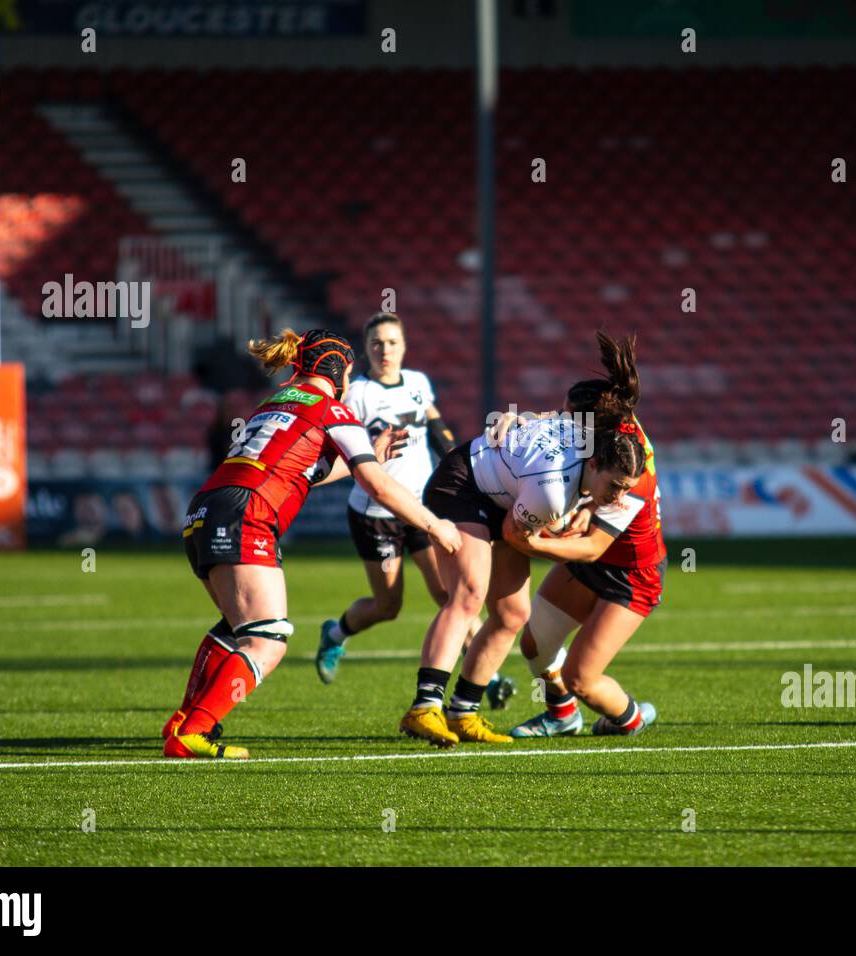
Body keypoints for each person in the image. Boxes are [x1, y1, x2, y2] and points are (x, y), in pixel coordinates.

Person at [163, 328, 461, 759]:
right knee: (267, 637)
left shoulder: (274, 404)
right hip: (248, 513)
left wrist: (369, 454)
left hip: (206, 509)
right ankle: (195, 730)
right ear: (341, 370)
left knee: (237, 626)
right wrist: (434, 526)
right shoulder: (331, 408)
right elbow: (378, 488)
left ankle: (184, 723)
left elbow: (307, 472)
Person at [399, 332, 646, 748]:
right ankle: (424, 708)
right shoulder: (557, 487)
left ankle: (463, 713)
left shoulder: (596, 441)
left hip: (502, 495)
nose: (619, 497)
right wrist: (554, 532)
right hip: (462, 488)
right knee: (469, 594)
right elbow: (517, 534)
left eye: (626, 489)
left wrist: (572, 512)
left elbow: (544, 425)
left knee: (512, 615)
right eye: (616, 486)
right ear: (598, 462)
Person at [460, 333, 664, 738]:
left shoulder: (629, 474)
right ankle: (561, 716)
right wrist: (517, 418)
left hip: (631, 575)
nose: (563, 422)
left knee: (581, 679)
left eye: (571, 419)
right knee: (535, 645)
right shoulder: (604, 426)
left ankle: (631, 719)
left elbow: (591, 548)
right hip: (594, 557)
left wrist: (534, 543)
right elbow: (558, 419)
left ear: (592, 428)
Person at [314, 313, 513, 707]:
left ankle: (484, 678)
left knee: (449, 592)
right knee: (388, 607)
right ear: (366, 349)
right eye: (376, 343)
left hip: (423, 509)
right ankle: (335, 634)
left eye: (392, 342)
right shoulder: (356, 394)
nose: (384, 350)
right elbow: (335, 446)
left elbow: (439, 431)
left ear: (404, 347)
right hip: (375, 515)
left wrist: (463, 464)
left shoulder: (419, 383)